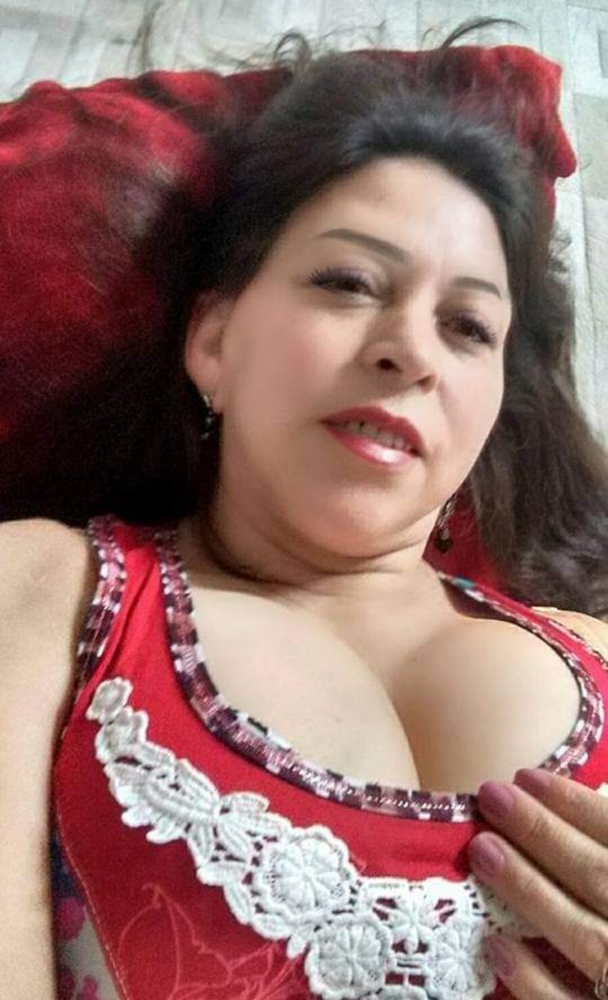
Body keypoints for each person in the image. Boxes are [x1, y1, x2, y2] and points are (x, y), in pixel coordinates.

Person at [2, 16, 608, 1000]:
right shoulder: (37, 597)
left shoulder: (599, 647)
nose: (409, 350)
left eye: (466, 326)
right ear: (214, 340)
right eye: (348, 282)